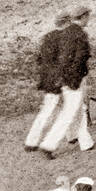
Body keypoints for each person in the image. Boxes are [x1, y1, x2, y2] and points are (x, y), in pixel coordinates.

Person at [39, 5, 94, 159]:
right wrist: (74, 79)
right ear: (83, 17)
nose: (88, 19)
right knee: (76, 110)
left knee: (74, 110)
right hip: (75, 78)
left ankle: (83, 141)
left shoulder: (64, 33)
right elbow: (79, 59)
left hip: (64, 77)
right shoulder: (79, 34)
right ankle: (49, 145)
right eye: (87, 16)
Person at [24, 11, 69, 153]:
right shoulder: (65, 38)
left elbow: (39, 59)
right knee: (52, 109)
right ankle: (32, 141)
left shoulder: (47, 37)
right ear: (67, 22)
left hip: (47, 78)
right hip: (57, 79)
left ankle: (32, 141)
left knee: (55, 108)